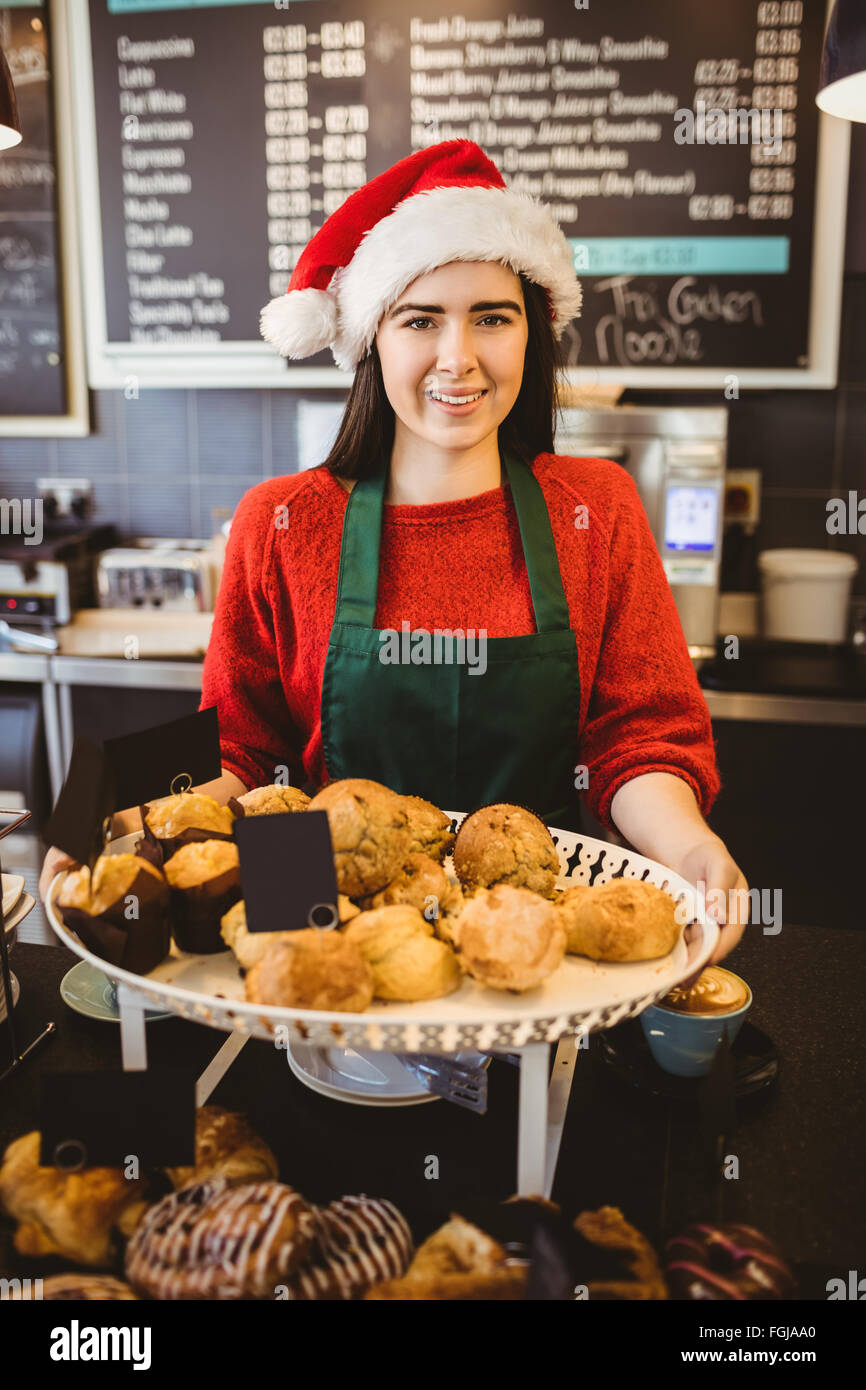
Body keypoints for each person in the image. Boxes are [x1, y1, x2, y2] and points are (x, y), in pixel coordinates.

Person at [40, 141, 746, 959]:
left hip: (528, 923)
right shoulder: (283, 521)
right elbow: (243, 749)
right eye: (420, 320)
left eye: (492, 316)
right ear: (374, 339)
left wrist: (690, 848)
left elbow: (637, 741)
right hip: (305, 910)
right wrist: (108, 817)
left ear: (533, 333)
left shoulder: (597, 508)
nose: (459, 358)